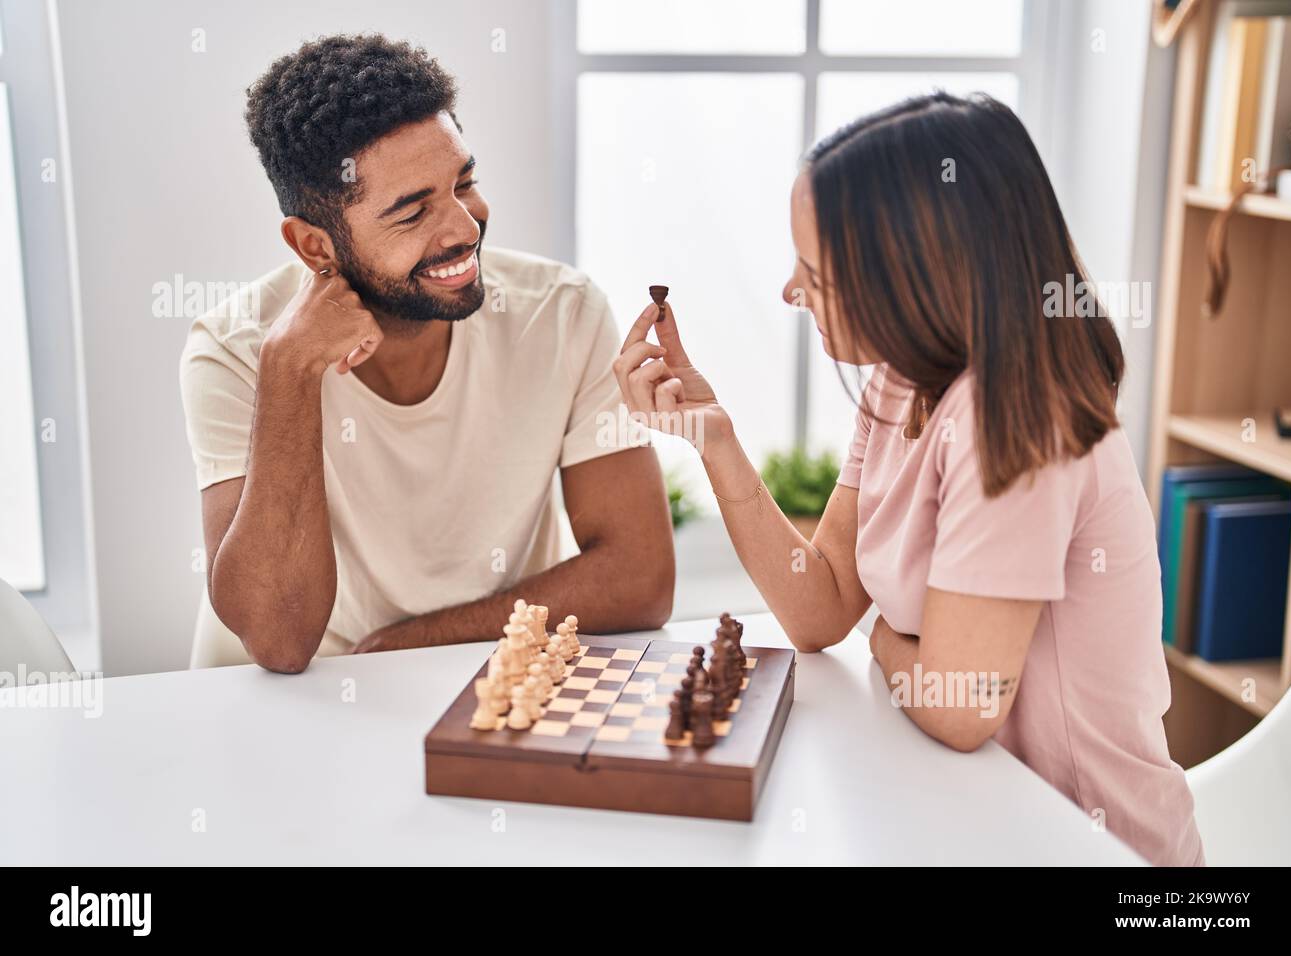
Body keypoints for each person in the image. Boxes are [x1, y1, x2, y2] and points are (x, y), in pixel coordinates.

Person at [614, 92, 1203, 866]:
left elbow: (960, 709)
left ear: (917, 272)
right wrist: (714, 442)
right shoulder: (902, 381)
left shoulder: (1017, 409)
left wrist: (890, 637)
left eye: (816, 270)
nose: (790, 292)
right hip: (974, 819)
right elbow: (819, 609)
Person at [180, 35, 673, 673]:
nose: (466, 229)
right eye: (412, 213)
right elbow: (279, 640)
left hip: (486, 677)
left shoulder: (563, 312)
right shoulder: (235, 352)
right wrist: (291, 374)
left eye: (463, 183)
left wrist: (409, 644)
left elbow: (641, 578)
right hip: (303, 699)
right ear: (314, 247)